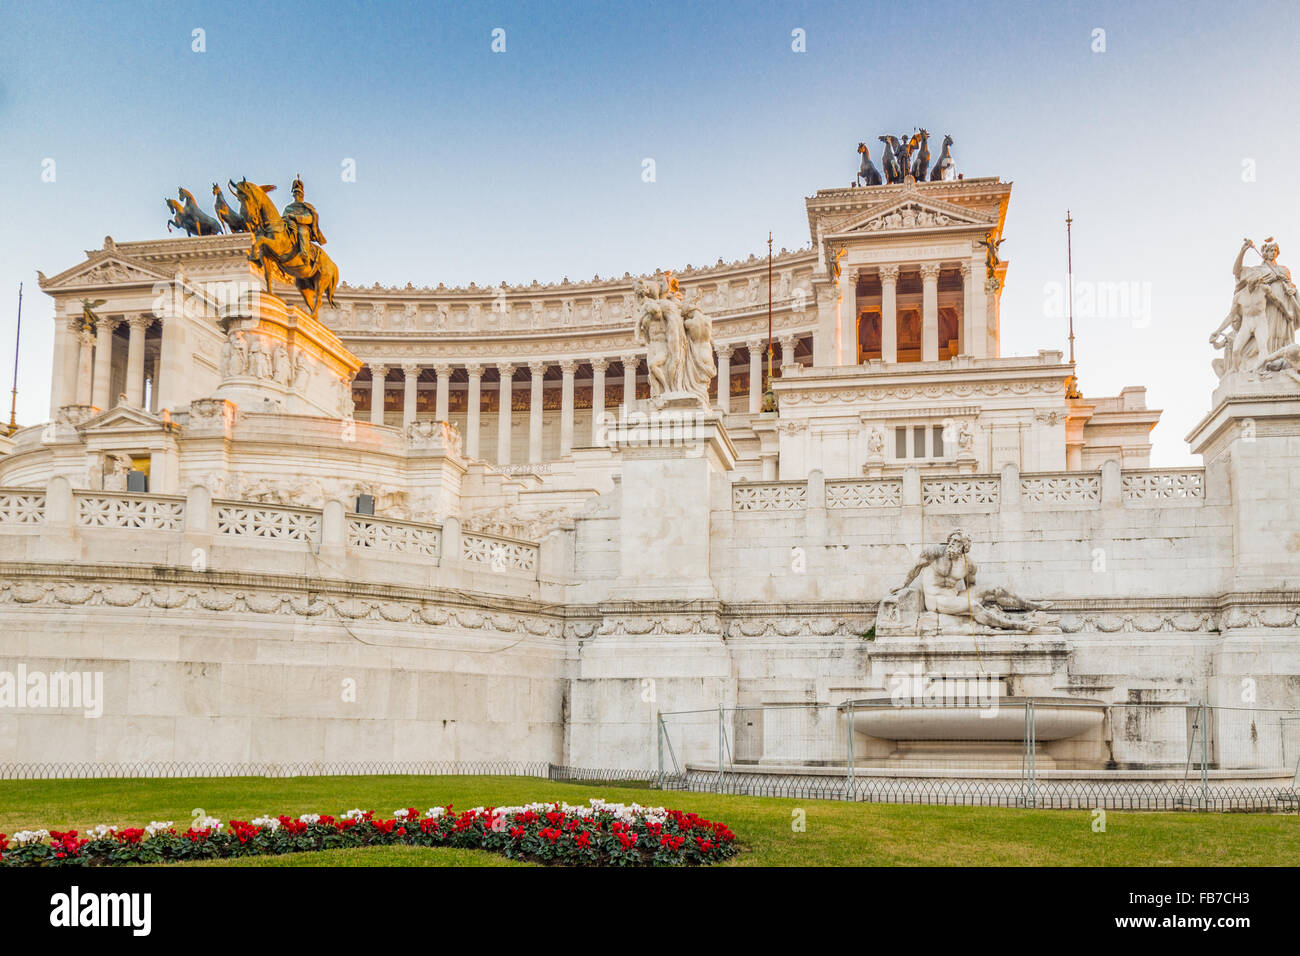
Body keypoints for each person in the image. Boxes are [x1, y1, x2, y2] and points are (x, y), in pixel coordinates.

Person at [890, 529, 1052, 631]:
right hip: (936, 600)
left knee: (996, 589)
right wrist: (903, 584)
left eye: (957, 542)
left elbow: (971, 586)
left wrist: (983, 597)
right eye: (951, 540)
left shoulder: (969, 564)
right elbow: (916, 567)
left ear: (965, 546)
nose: (952, 544)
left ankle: (1031, 605)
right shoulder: (935, 552)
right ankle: (1016, 625)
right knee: (973, 606)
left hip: (955, 596)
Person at [281, 177, 326, 269]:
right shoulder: (288, 207)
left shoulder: (306, 207)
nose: (297, 194)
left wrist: (295, 217)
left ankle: (304, 253)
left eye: (299, 193)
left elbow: (309, 218)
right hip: (289, 225)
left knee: (302, 232)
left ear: (302, 194)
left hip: (303, 227)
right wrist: (285, 220)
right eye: (295, 192)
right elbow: (283, 217)